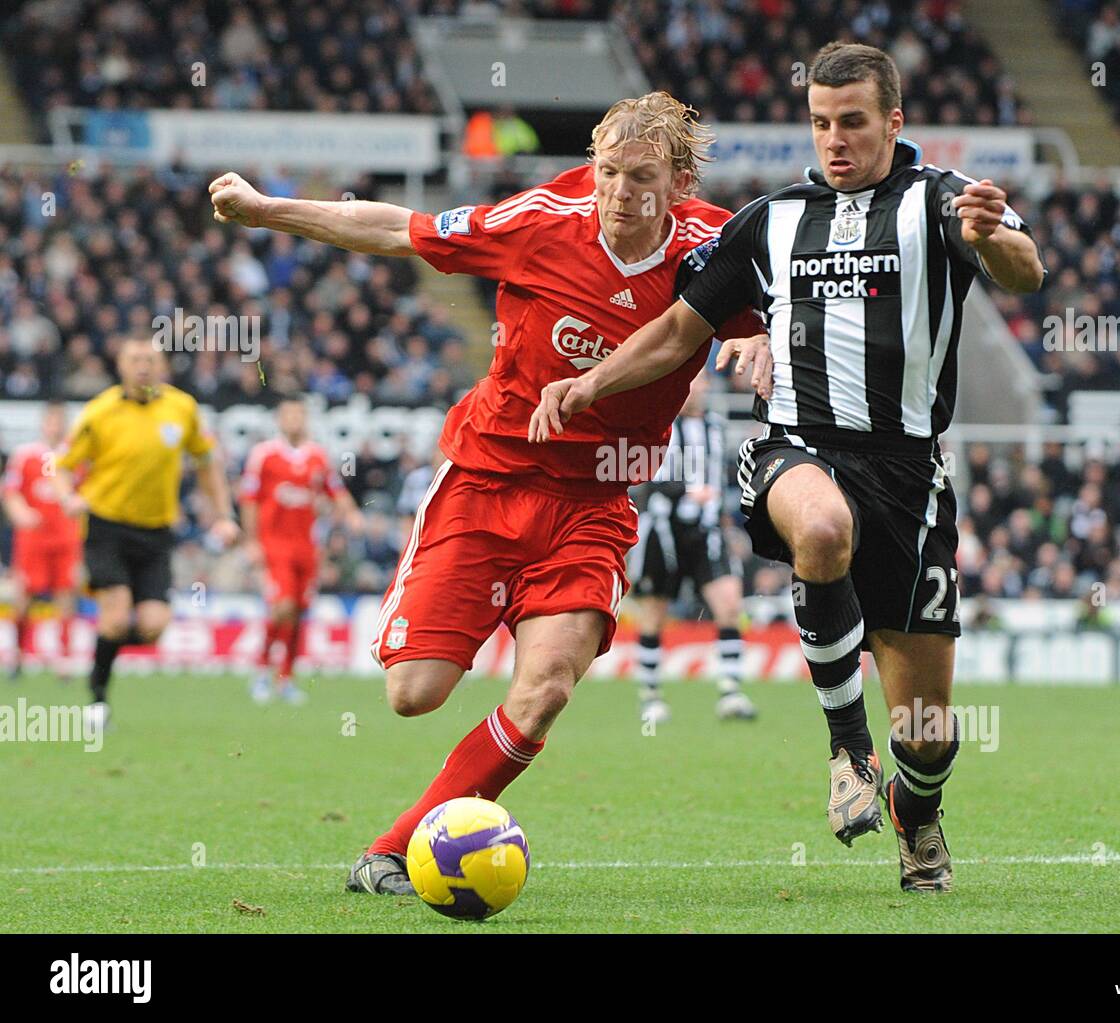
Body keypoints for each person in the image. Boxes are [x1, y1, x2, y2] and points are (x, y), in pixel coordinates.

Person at [209, 91, 771, 896]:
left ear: (680, 180)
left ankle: (393, 850)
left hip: (594, 503)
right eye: (606, 170)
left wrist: (758, 336)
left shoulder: (719, 246)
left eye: (640, 177)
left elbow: (786, 301)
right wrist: (268, 210)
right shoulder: (541, 220)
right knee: (414, 693)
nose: (617, 192)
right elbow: (397, 229)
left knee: (543, 692)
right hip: (487, 481)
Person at [530, 43, 1045, 892]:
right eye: (820, 122)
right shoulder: (769, 222)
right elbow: (676, 332)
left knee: (927, 730)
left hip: (912, 477)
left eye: (852, 122)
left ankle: (917, 815)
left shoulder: (944, 201)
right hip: (795, 448)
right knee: (821, 524)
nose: (834, 139)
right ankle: (848, 752)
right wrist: (588, 384)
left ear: (893, 121)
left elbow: (1026, 273)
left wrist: (994, 239)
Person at [53, 337, 240, 730]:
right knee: (118, 616)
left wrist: (222, 513)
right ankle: (98, 698)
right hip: (107, 526)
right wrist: (67, 496)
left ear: (162, 366)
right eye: (135, 359)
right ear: (120, 366)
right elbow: (62, 464)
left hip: (156, 532)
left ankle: (102, 647)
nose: (143, 366)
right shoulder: (100, 412)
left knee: (154, 626)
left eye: (150, 359)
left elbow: (206, 463)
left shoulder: (181, 408)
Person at [628, 369, 756, 723]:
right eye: (686, 384)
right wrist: (683, 491)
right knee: (654, 614)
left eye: (696, 383)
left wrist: (729, 520)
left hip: (707, 532)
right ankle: (650, 696)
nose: (692, 390)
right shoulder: (659, 430)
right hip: (664, 531)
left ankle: (731, 692)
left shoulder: (715, 429)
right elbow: (643, 482)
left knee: (729, 604)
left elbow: (723, 480)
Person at [240, 396, 364, 704]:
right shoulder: (264, 455)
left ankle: (286, 679)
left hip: (307, 547)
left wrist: (351, 514)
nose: (294, 420)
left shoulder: (317, 456)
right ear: (279, 420)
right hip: (274, 544)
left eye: (299, 415)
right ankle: (260, 671)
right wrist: (252, 541)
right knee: (281, 606)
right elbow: (249, 499)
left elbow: (335, 490)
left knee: (298, 612)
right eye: (289, 415)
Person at [2, 404, 81, 679]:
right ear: (43, 424)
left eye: (59, 421)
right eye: (50, 421)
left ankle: (64, 659)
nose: (54, 426)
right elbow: (10, 491)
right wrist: (21, 514)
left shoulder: (75, 457)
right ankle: (18, 655)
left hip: (65, 537)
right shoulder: (25, 455)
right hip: (33, 538)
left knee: (66, 596)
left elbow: (87, 492)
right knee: (24, 596)